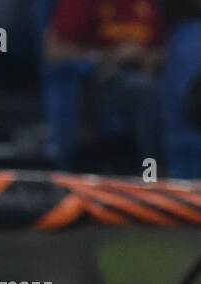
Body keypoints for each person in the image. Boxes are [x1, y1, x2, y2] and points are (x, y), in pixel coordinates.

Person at [44, 0, 166, 169]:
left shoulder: (149, 5)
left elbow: (163, 49)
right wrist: (109, 56)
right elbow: (55, 52)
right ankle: (154, 172)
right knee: (144, 89)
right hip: (99, 78)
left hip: (145, 73)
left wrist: (146, 57)